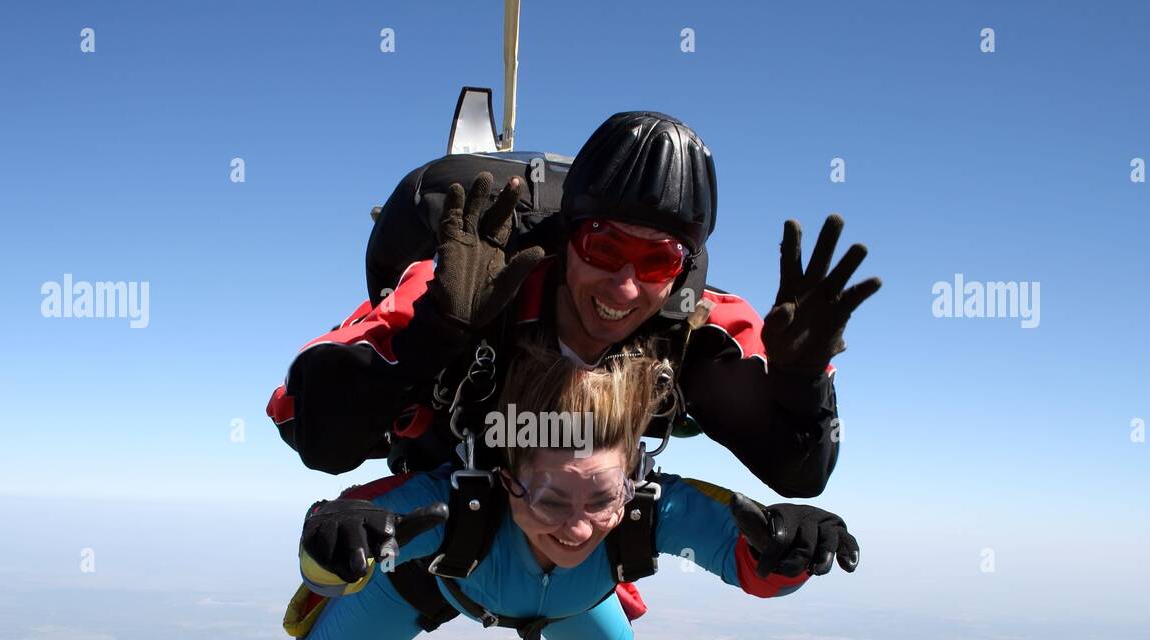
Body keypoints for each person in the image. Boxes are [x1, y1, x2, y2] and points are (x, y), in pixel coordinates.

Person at [267, 111, 882, 498]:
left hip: (572, 520)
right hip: (455, 475)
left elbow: (800, 475)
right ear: (567, 239)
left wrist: (801, 382)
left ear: (686, 269)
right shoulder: (469, 281)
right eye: (603, 243)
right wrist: (437, 331)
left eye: (657, 261)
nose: (622, 286)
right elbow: (314, 435)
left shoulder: (697, 328)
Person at [284, 345, 859, 640]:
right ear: (504, 478)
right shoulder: (454, 506)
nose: (579, 528)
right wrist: (339, 546)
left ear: (632, 485)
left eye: (603, 500)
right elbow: (338, 549)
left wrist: (789, 551)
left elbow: (748, 561)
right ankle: (422, 579)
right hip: (428, 577)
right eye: (552, 501)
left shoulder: (647, 510)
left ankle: (582, 582)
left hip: (564, 599)